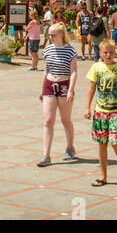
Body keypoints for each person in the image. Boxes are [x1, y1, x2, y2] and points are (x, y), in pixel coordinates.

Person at [84, 39, 117, 186]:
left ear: (115, 52)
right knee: (102, 143)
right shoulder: (96, 67)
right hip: (100, 110)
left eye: (111, 52)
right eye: (105, 52)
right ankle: (103, 175)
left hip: (116, 110)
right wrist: (87, 107)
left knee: (115, 140)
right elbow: (92, 87)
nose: (109, 55)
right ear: (100, 53)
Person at [37, 22, 78, 167]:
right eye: (49, 35)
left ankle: (70, 147)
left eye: (53, 35)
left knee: (65, 120)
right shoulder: (47, 50)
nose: (50, 37)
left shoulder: (70, 51)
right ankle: (46, 155)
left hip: (64, 86)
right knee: (48, 120)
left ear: (61, 35)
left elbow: (73, 72)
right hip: (49, 86)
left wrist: (71, 90)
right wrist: (42, 89)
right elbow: (46, 70)